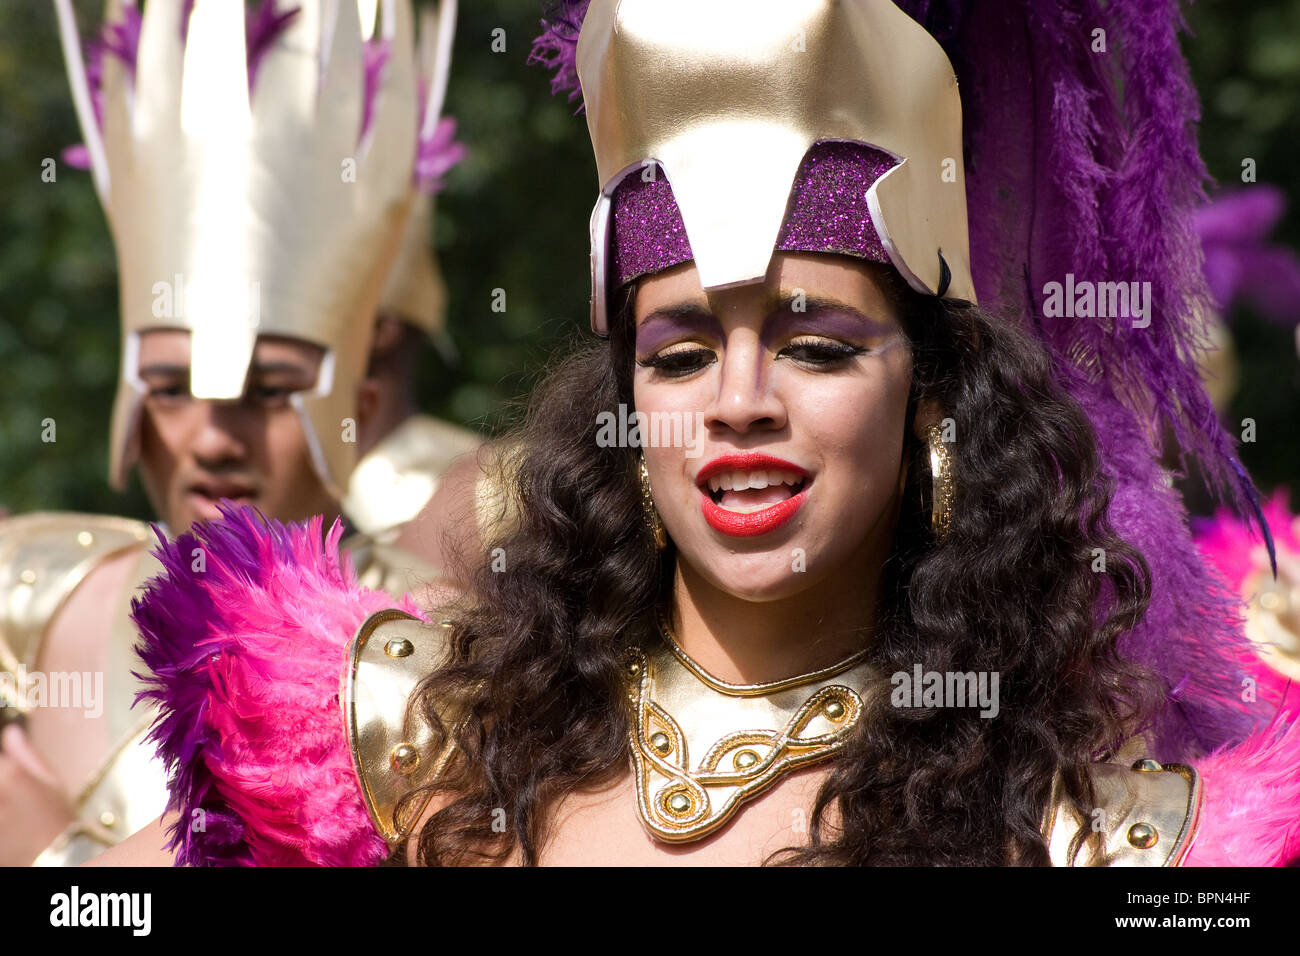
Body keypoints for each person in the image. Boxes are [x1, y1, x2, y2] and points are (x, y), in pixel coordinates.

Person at [112, 0, 1300, 866]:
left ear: (933, 395)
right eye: (679, 351)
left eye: (816, 345)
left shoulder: (1084, 840)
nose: (739, 397)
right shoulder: (413, 753)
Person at [0, 0, 464, 866]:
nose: (213, 439)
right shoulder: (28, 599)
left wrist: (57, 859)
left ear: (358, 399)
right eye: (172, 390)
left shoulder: (437, 646)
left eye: (268, 391)